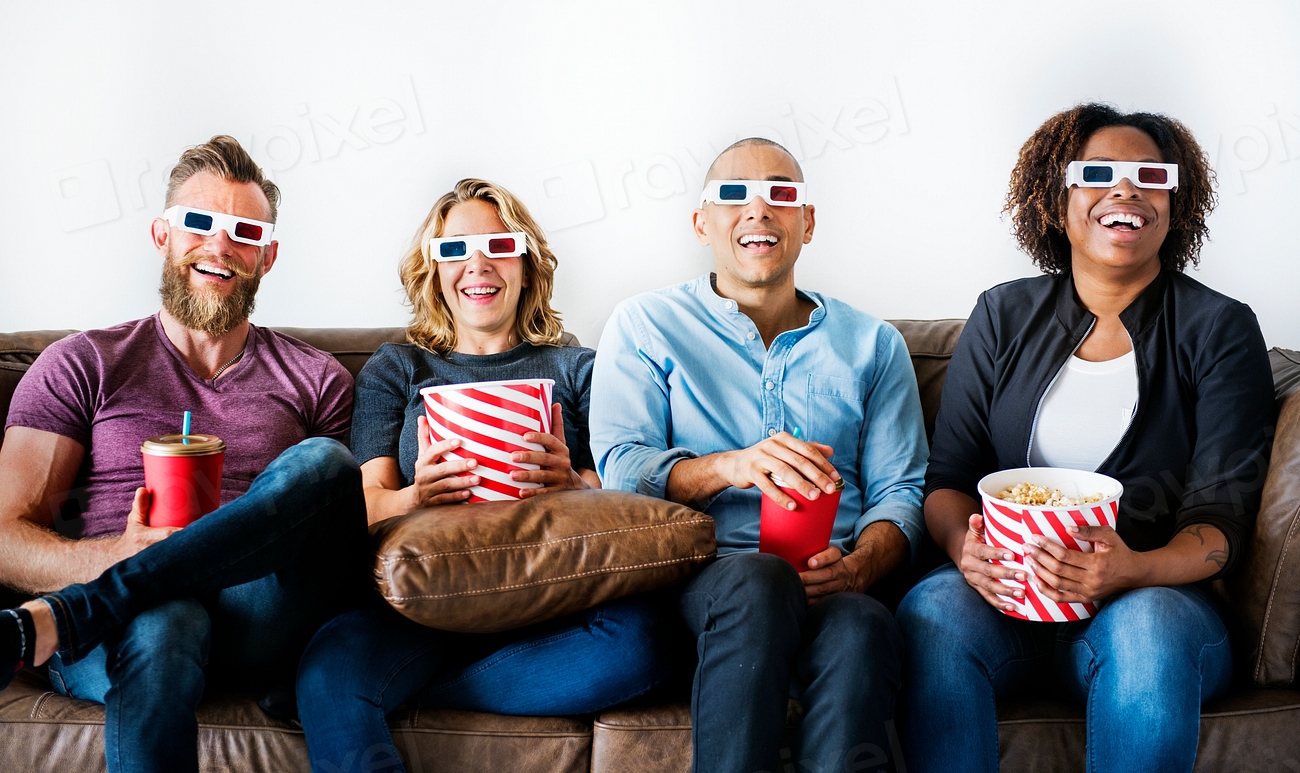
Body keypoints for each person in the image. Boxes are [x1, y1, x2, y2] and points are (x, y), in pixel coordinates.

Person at [896, 104, 1275, 772]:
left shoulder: (1219, 328)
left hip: (1157, 601)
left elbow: (1222, 524)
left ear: (1173, 199)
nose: (1125, 189)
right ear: (1055, 195)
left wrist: (1132, 567)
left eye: (1148, 176)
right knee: (931, 610)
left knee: (1150, 632)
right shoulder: (1001, 314)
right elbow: (950, 481)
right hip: (1010, 599)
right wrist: (964, 547)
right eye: (1097, 173)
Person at [0, 136, 370, 773]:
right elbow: (4, 534)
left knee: (324, 466)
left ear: (268, 255)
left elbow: (339, 541)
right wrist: (116, 555)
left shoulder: (318, 379)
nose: (220, 246)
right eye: (199, 223)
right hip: (120, 633)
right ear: (161, 235)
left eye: (244, 231)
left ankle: (87, 605)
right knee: (164, 621)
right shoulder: (83, 364)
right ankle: (116, 593)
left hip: (258, 621)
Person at [295, 178, 669, 773]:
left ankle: (433, 690)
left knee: (643, 646)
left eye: (499, 244)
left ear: (525, 262)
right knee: (327, 672)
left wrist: (575, 485)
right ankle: (426, 675)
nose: (478, 264)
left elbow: (632, 496)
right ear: (434, 272)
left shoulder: (578, 369)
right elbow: (365, 506)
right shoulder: (399, 367)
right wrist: (414, 498)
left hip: (553, 602)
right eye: (454, 251)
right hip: (422, 603)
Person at [589, 138, 928, 773]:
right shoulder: (643, 326)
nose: (758, 210)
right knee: (757, 580)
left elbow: (900, 494)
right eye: (733, 196)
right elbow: (620, 467)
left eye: (781, 194)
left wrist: (857, 569)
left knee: (864, 627)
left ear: (807, 222)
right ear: (701, 224)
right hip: (703, 579)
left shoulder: (874, 345)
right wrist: (730, 465)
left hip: (834, 578)